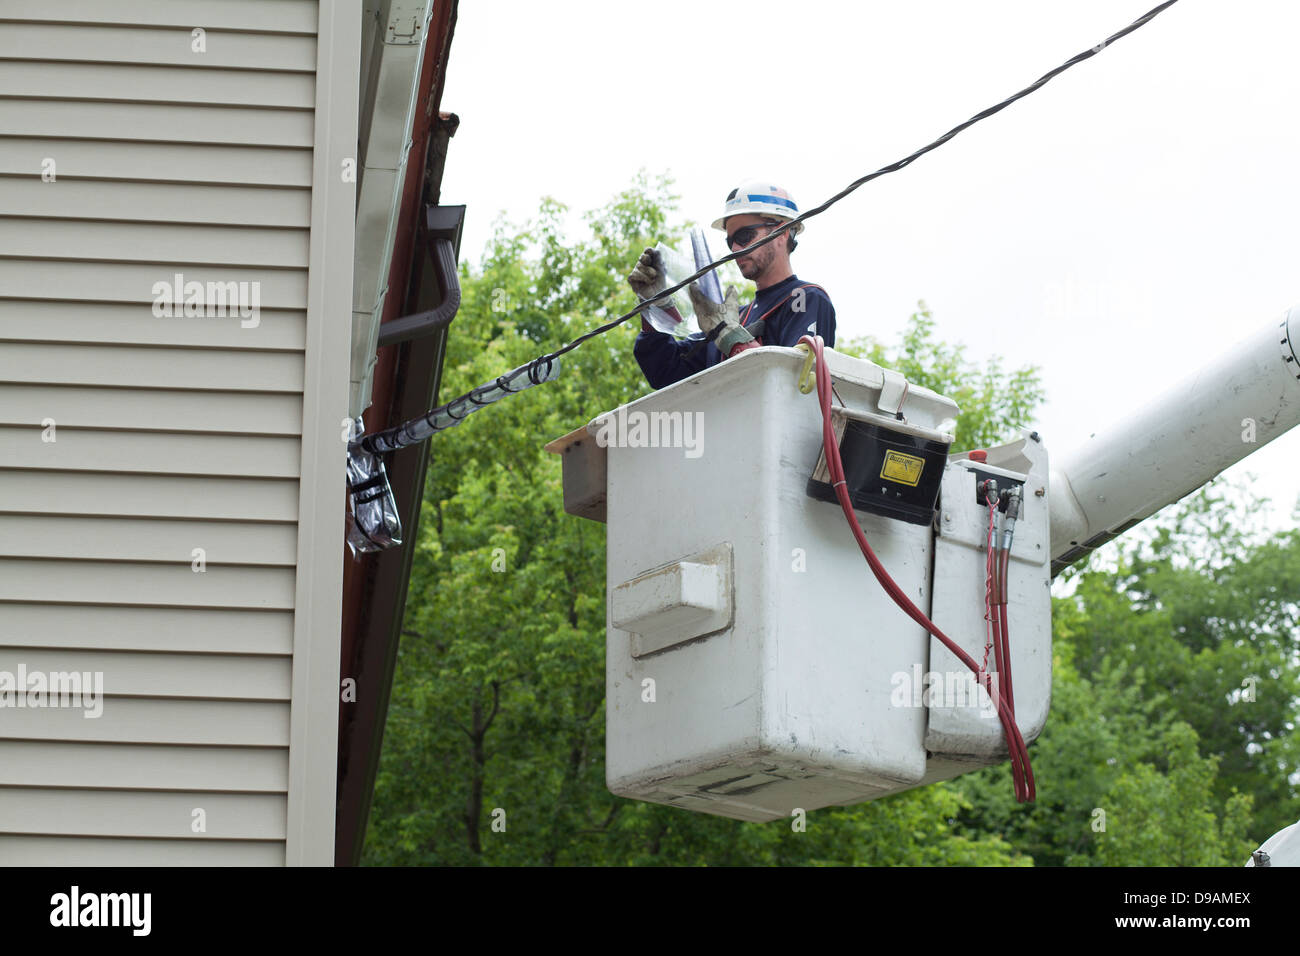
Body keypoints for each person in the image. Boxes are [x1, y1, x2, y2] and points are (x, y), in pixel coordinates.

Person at [629, 181, 836, 389]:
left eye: (744, 236)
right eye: (730, 242)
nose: (735, 248)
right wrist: (656, 306)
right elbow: (665, 370)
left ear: (782, 231)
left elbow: (794, 384)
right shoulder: (731, 318)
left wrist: (730, 336)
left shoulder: (806, 298)